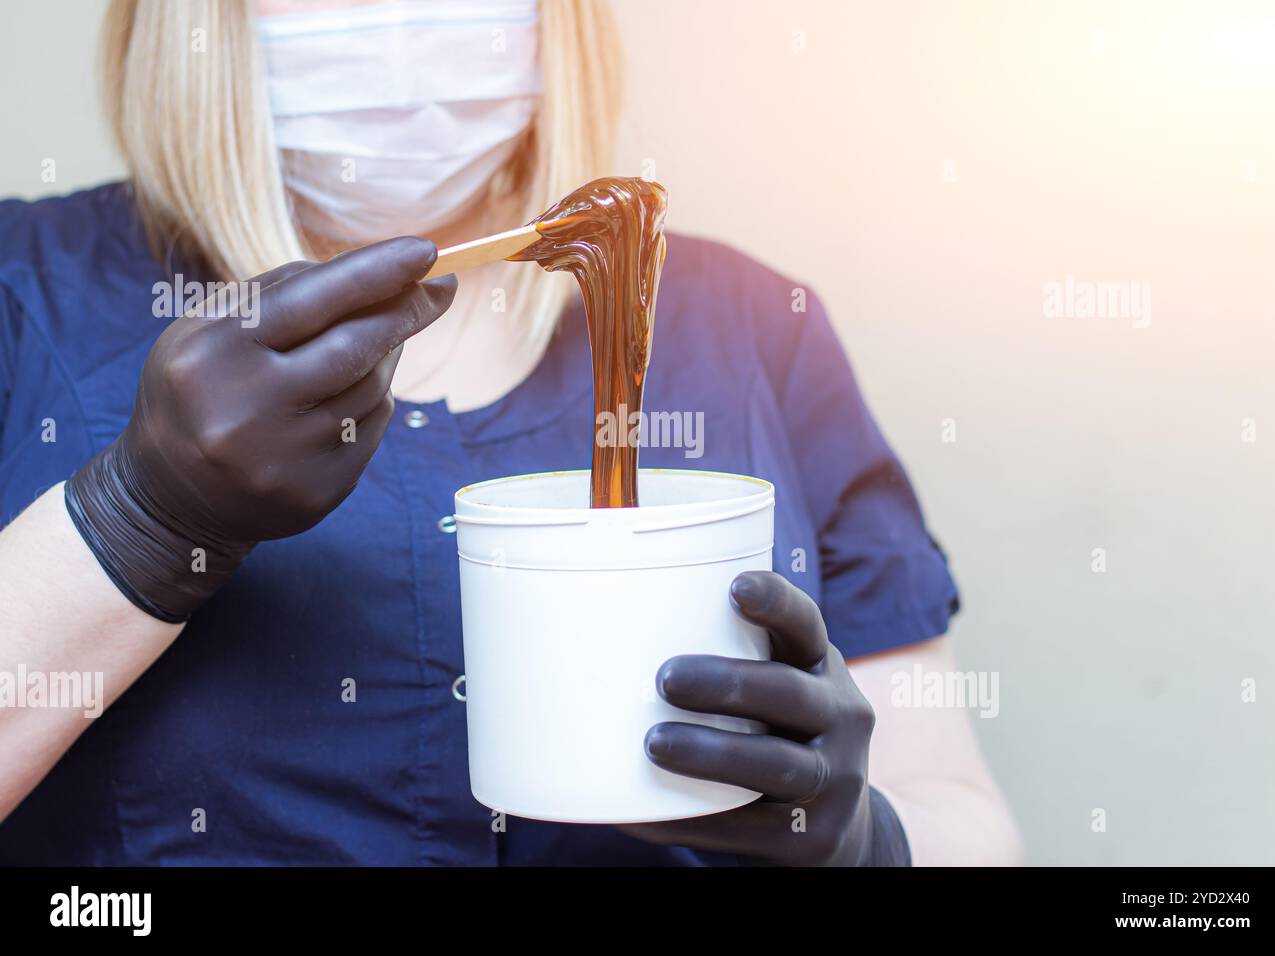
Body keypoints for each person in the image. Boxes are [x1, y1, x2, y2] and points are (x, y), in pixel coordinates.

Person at [0, 0, 1020, 865]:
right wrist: (139, 516)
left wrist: (862, 842)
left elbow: (959, 811)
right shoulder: (23, 296)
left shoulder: (757, 327)